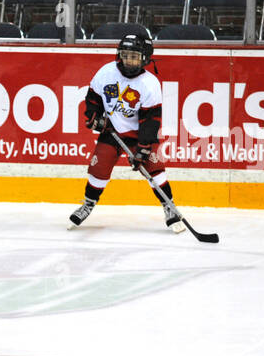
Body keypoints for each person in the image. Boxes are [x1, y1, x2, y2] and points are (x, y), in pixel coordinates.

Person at [70, 32, 181, 232]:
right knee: (98, 170)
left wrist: (144, 148)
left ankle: (169, 206)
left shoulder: (149, 84)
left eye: (134, 56)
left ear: (145, 58)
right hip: (112, 132)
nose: (128, 61)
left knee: (155, 170)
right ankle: (88, 204)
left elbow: (151, 120)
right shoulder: (106, 72)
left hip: (139, 134)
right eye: (125, 55)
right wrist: (94, 117)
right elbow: (93, 98)